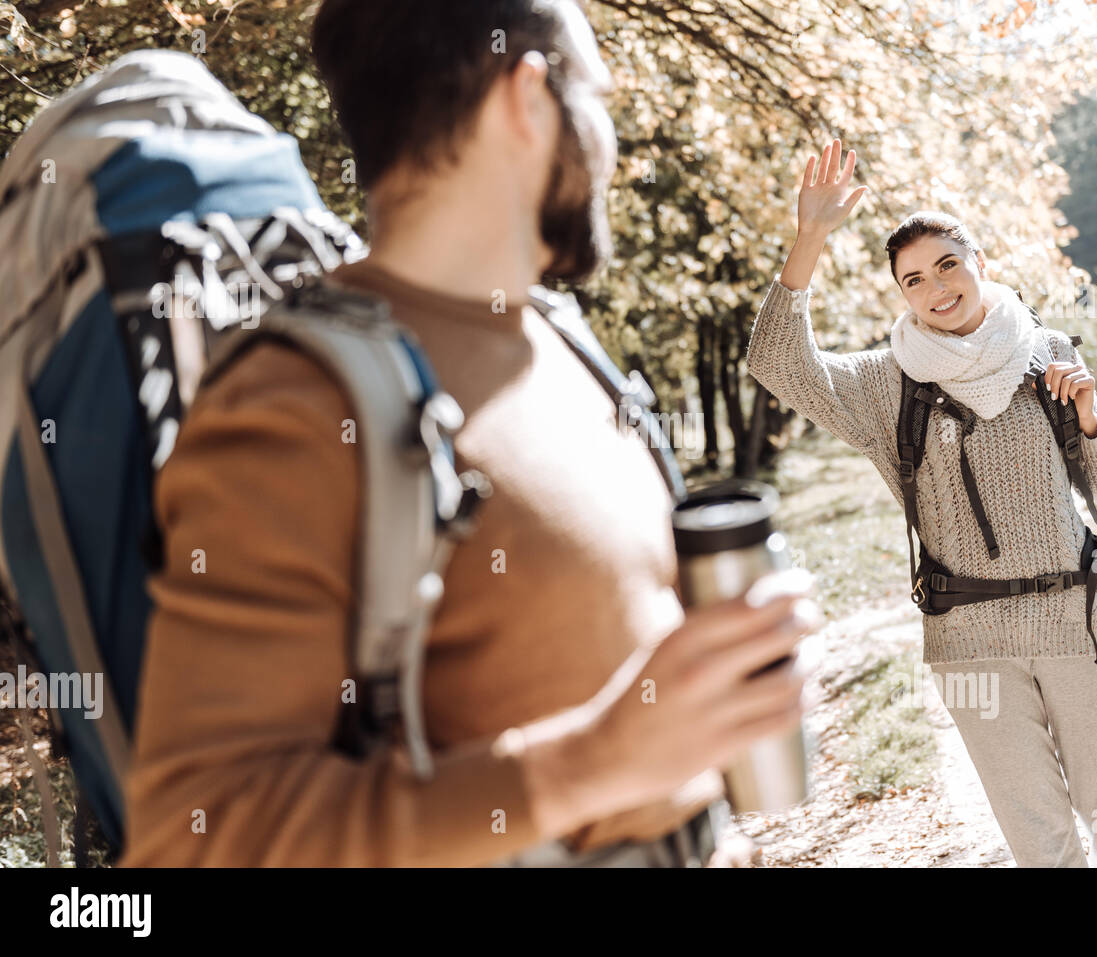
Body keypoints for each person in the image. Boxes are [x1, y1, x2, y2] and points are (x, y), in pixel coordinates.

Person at [121, 0, 820, 867]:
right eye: (593, 96)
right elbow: (197, 837)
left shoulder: (560, 340)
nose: (608, 139)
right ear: (526, 96)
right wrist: (586, 765)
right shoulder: (293, 405)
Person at [745, 139, 1097, 867]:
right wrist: (810, 237)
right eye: (913, 279)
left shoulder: (1045, 348)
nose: (936, 287)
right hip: (970, 645)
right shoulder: (882, 385)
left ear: (979, 265)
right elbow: (777, 361)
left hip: (1080, 622)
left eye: (947, 264)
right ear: (900, 295)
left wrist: (1091, 416)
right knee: (1044, 844)